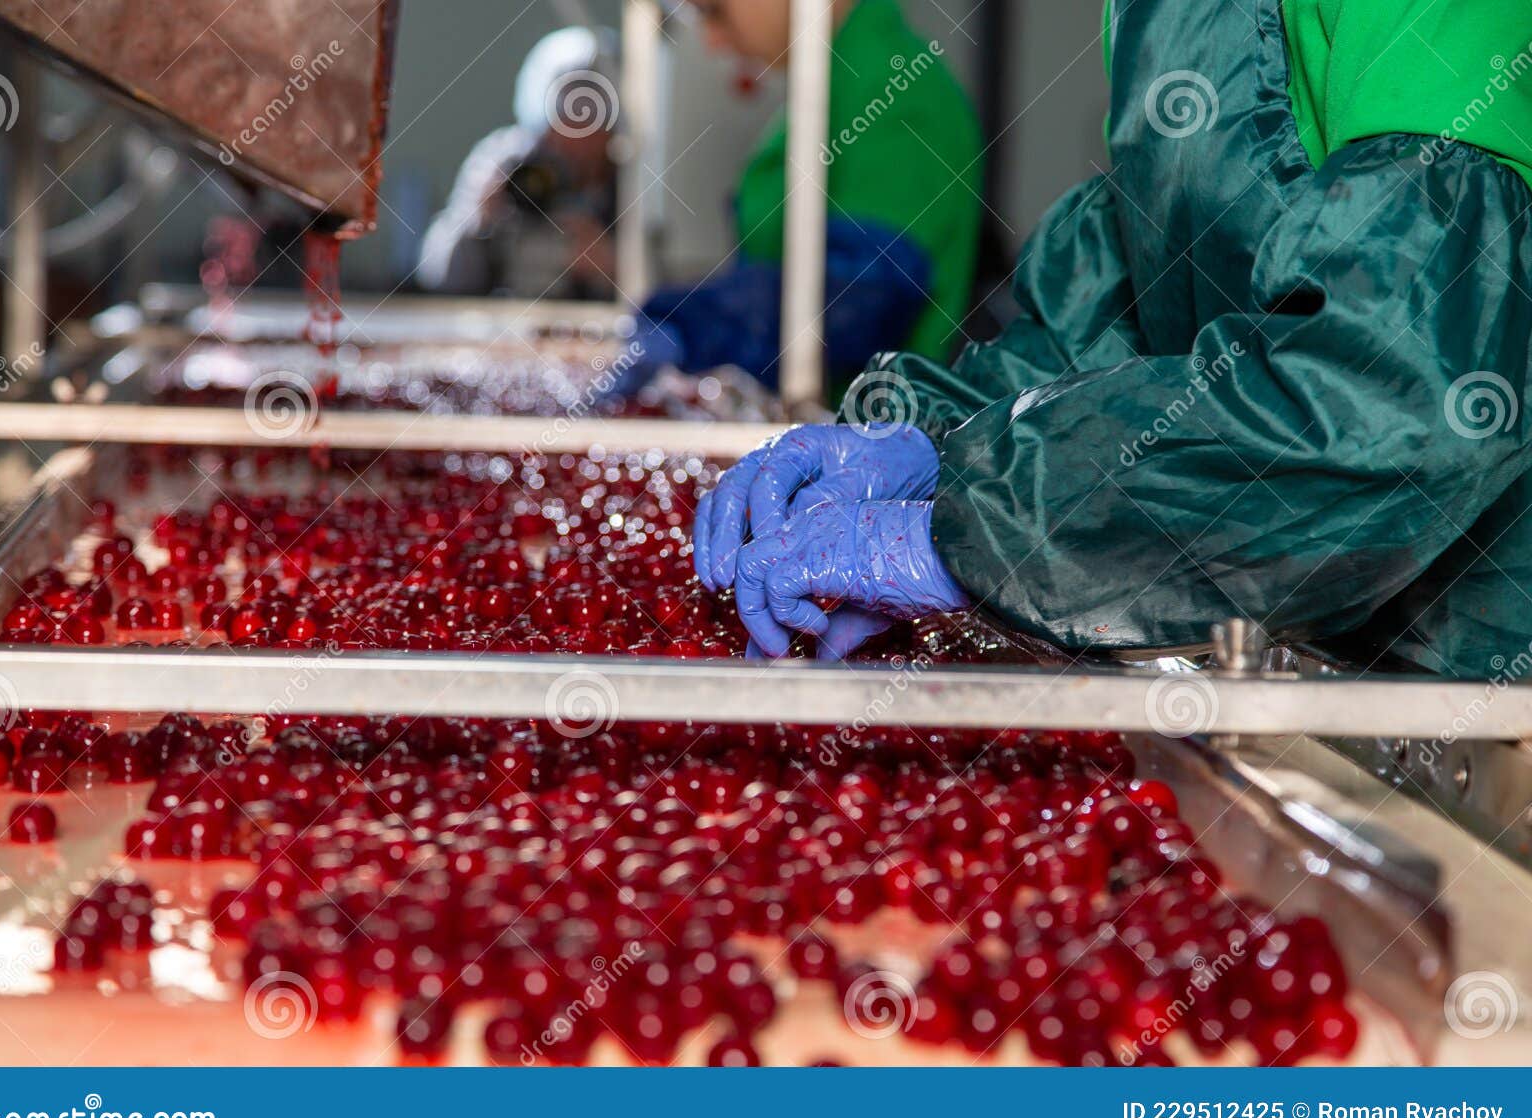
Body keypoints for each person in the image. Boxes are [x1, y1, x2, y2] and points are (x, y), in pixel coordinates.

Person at [699, 0, 1532, 677]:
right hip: (1293, 662)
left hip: (1478, 671)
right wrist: (933, 443)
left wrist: (971, 533)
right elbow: (1110, 326)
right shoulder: (1158, 16)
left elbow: (1399, 404)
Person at [616, 0, 982, 396]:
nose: (712, 42)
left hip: (862, 437)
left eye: (714, 11)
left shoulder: (899, 91)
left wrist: (694, 327)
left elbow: (857, 298)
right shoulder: (840, 84)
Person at [416, 27, 618, 300]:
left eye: (589, 120)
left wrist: (612, 265)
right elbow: (436, 277)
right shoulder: (507, 160)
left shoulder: (635, 181)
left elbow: (671, 296)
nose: (574, 142)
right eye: (563, 119)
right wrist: (476, 221)